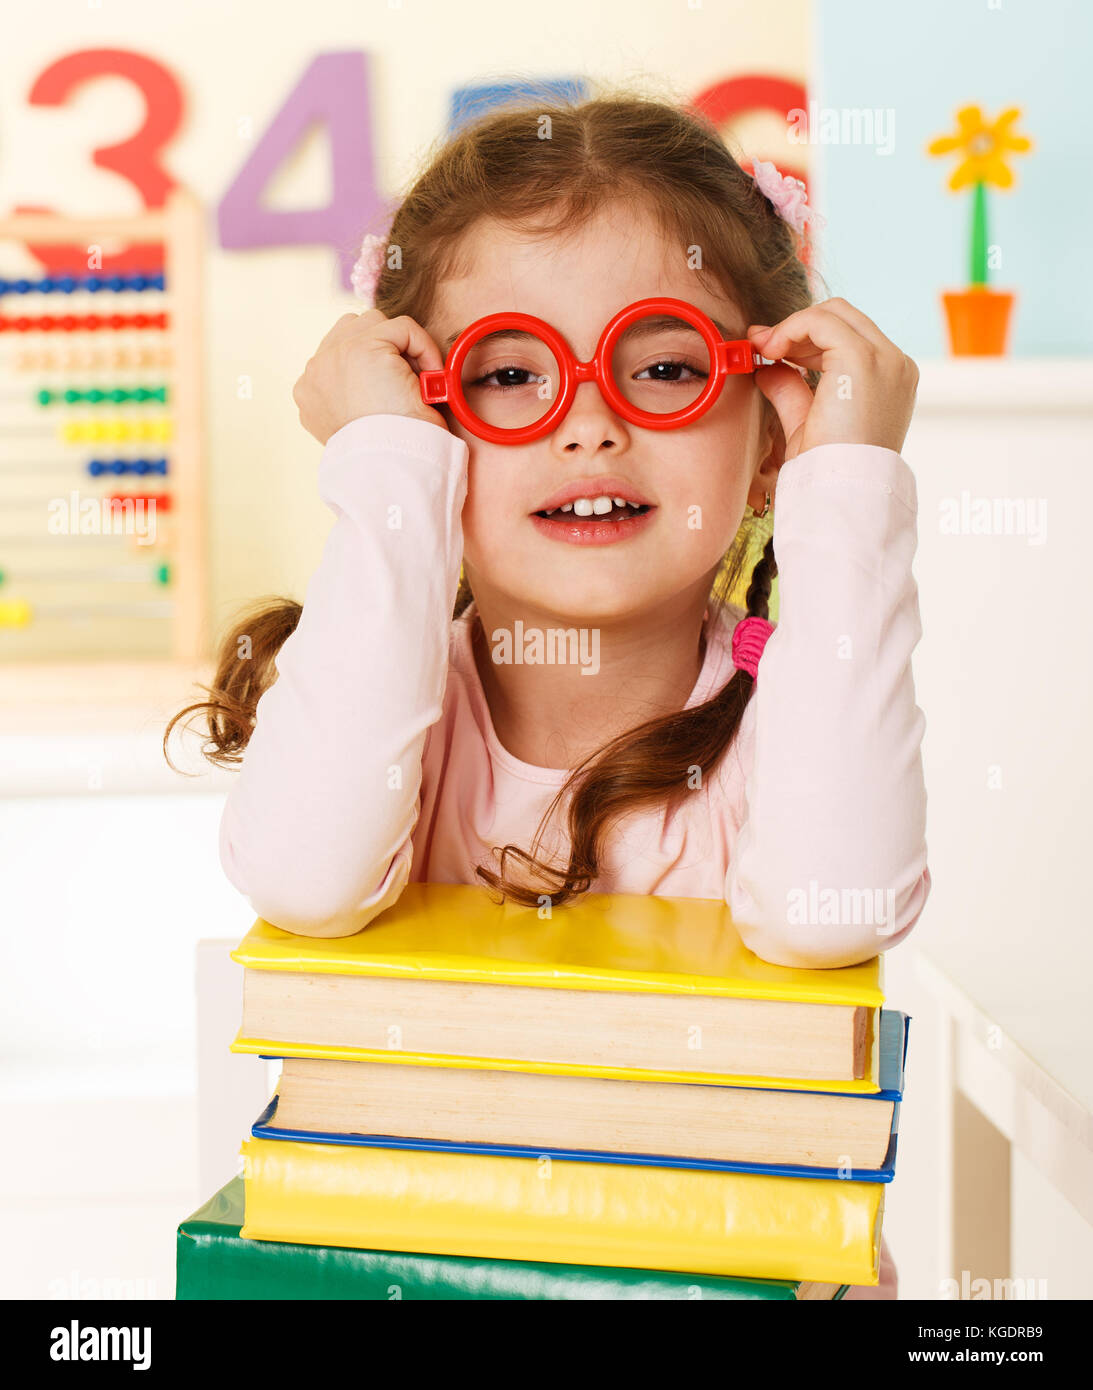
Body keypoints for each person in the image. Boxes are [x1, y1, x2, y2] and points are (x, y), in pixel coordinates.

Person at [167, 91, 928, 1301]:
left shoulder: (796, 712)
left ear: (768, 436)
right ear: (427, 431)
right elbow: (305, 882)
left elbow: (829, 912)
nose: (587, 424)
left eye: (667, 366)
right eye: (507, 373)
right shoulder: (382, 710)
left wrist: (849, 482)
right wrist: (383, 476)